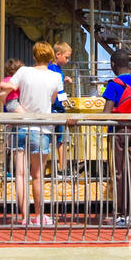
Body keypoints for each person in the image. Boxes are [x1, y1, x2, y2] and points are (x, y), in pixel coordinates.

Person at [0, 42, 64, 226]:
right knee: (37, 176)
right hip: (42, 128)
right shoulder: (55, 76)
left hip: (21, 126)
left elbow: (7, 87)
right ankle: (39, 215)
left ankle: (24, 216)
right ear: (50, 57)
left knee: (20, 174)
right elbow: (52, 100)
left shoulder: (24, 72)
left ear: (34, 56)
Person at [101, 49, 131, 227]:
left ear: (113, 65)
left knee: (120, 172)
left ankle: (122, 213)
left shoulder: (114, 84)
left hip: (120, 132)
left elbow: (106, 112)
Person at [49, 41, 73, 173]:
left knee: (62, 139)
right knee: (53, 138)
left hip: (59, 107)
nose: (67, 60)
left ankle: (62, 168)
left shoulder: (58, 70)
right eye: (66, 57)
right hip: (53, 108)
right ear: (58, 54)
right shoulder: (51, 69)